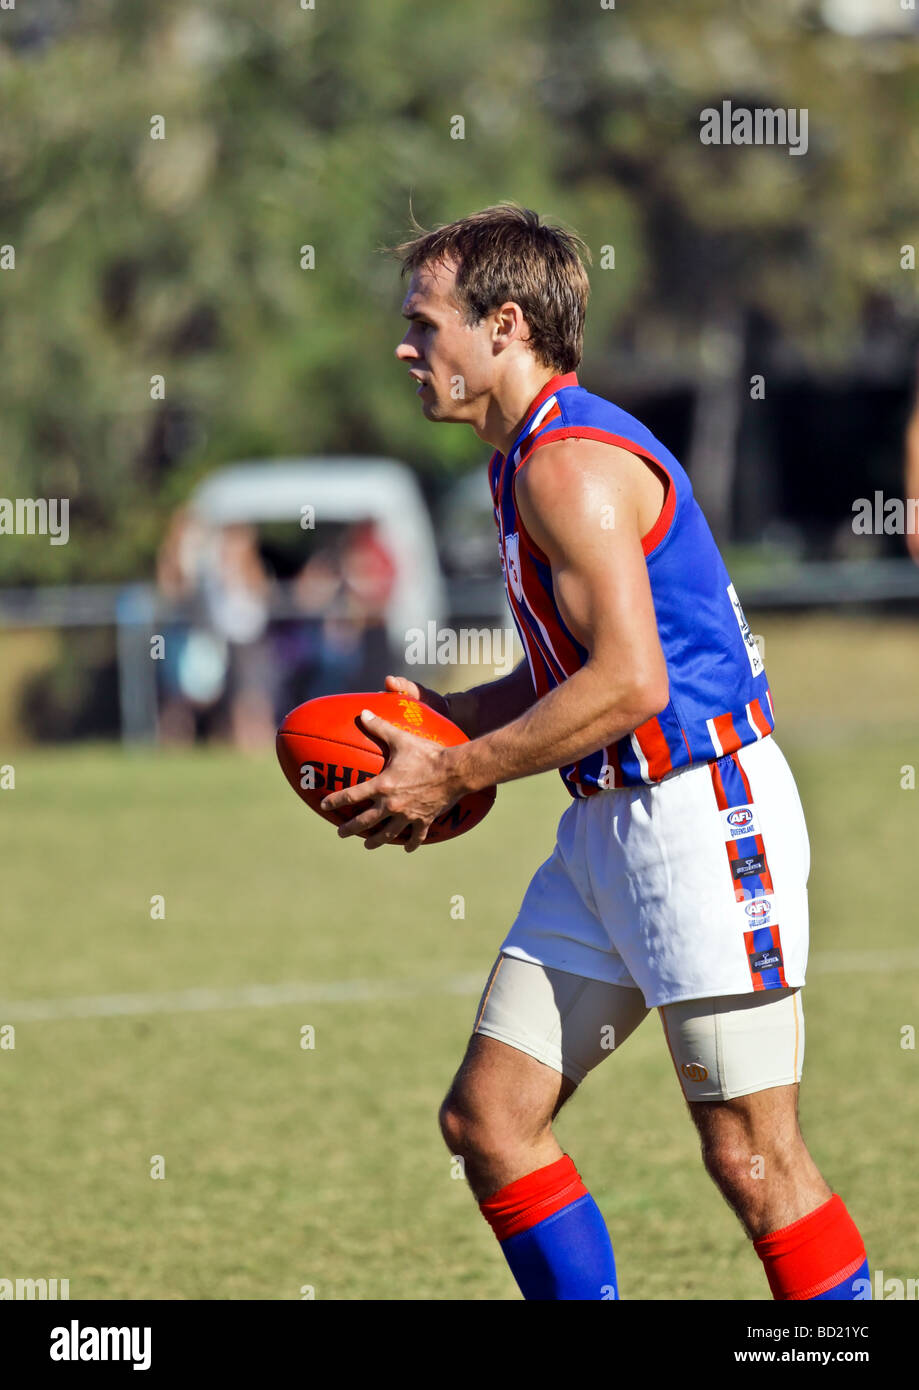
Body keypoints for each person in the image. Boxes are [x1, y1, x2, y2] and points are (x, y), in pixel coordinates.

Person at [319, 204, 870, 1301]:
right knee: (489, 1120)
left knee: (755, 1161)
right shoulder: (521, 458)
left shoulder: (566, 466)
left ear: (504, 325)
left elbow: (630, 683)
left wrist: (457, 772)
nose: (406, 346)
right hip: (607, 829)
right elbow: (573, 669)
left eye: (424, 324)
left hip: (701, 821)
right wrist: (453, 718)